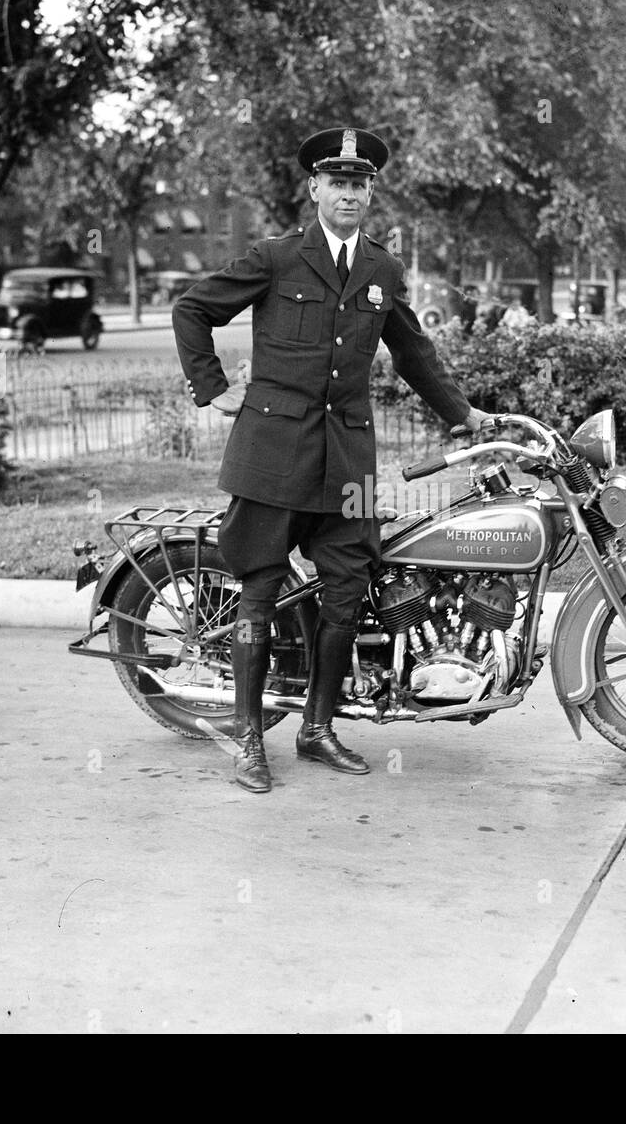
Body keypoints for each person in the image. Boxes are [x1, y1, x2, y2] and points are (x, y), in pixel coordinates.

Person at [174, 126, 488, 794]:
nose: (349, 193)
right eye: (337, 181)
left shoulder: (381, 269)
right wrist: (214, 390)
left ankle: (316, 729)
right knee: (258, 594)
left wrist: (463, 415)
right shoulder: (276, 257)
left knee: (347, 595)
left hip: (346, 461)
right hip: (272, 455)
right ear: (315, 188)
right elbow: (192, 308)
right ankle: (250, 742)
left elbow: (413, 352)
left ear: (372, 192)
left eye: (360, 183)